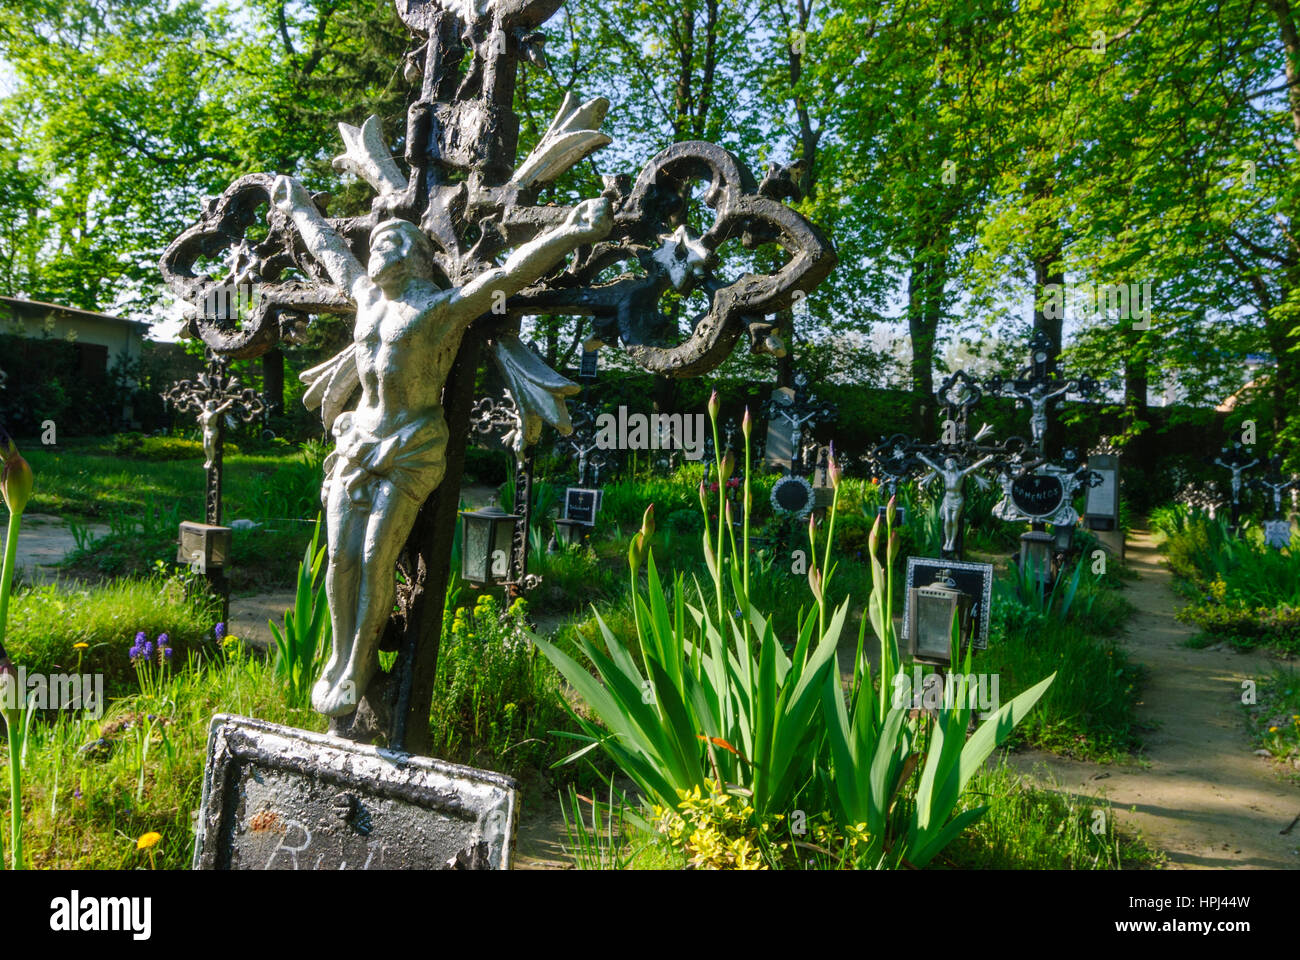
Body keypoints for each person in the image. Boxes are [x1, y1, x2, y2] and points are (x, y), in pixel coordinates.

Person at [271, 174, 611, 716]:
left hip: (410, 444)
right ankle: (337, 657)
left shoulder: (439, 309)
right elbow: (332, 249)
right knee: (338, 557)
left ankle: (358, 661)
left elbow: (504, 275)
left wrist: (570, 232)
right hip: (358, 439)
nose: (373, 251)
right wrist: (301, 208)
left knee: (372, 555)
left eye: (385, 243)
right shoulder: (365, 299)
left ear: (412, 254)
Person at [917, 452, 993, 553]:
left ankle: (952, 542)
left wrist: (986, 460)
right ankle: (947, 541)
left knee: (954, 520)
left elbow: (974, 467)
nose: (950, 465)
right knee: (947, 521)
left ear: (955, 464)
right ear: (946, 467)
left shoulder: (961, 474)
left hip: (957, 500)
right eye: (948, 464)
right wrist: (922, 457)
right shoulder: (944, 474)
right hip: (948, 499)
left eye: (951, 463)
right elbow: (933, 465)